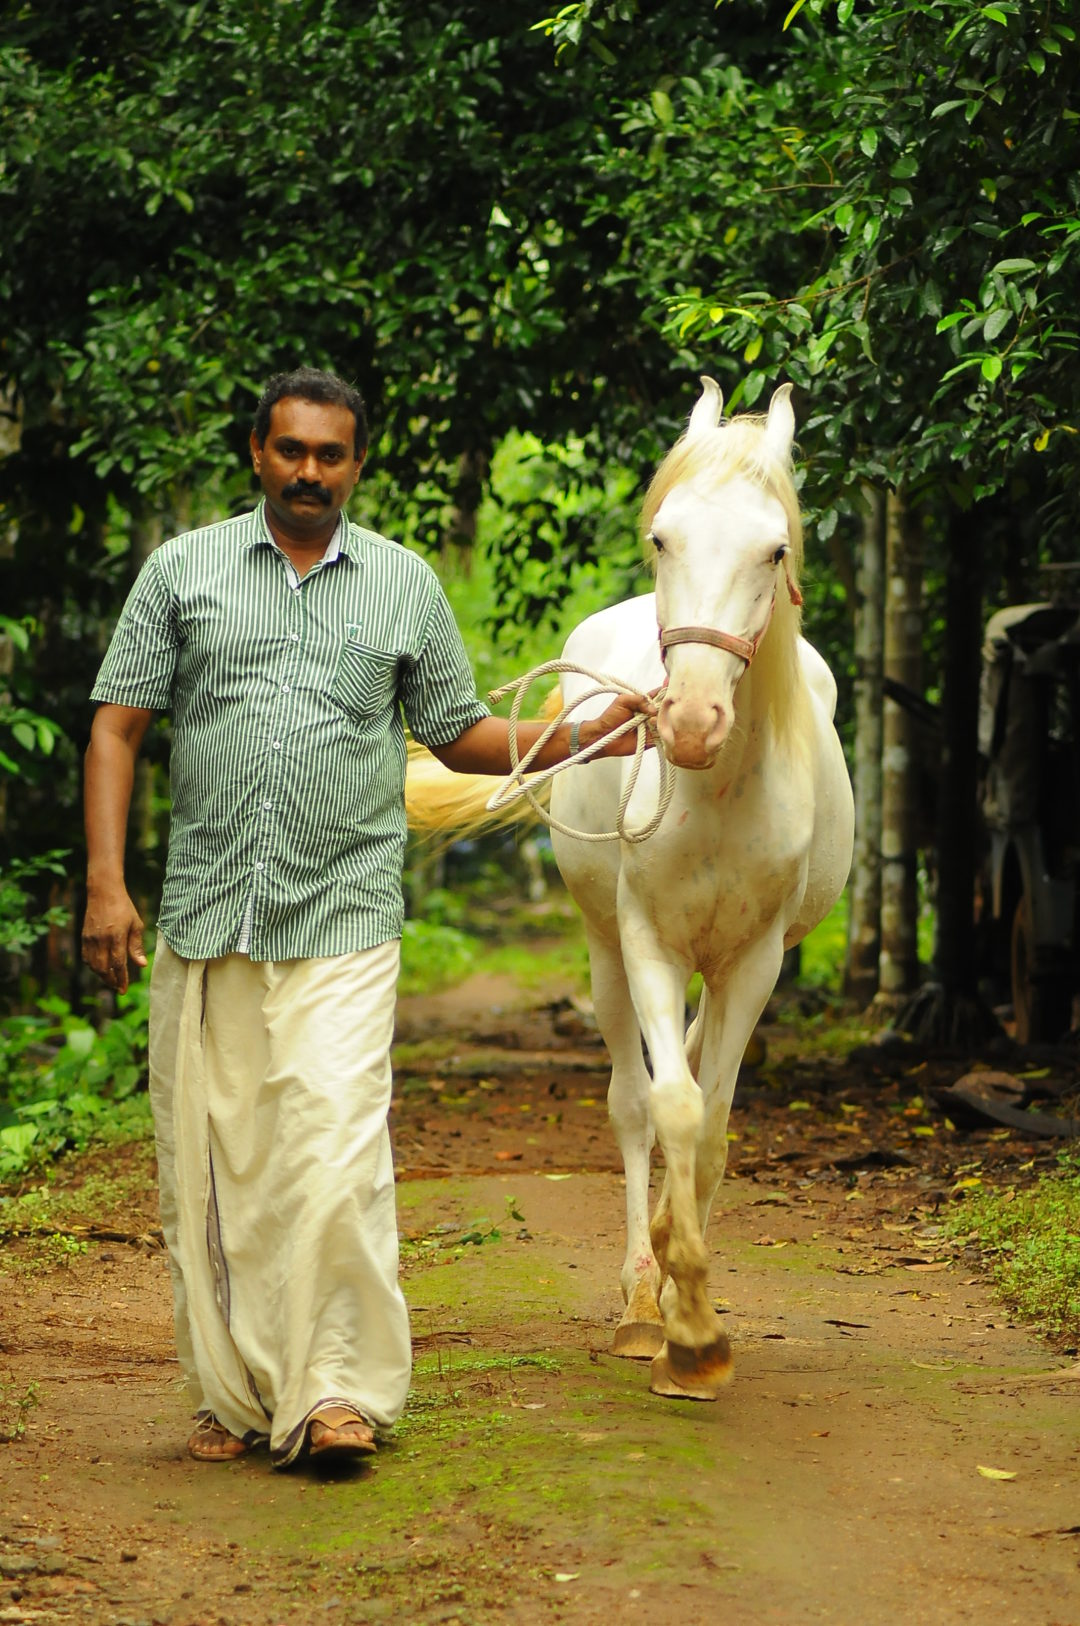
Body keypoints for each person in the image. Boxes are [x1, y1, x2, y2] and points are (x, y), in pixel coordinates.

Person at [82, 366, 652, 1468]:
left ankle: (338, 1390)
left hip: (345, 910)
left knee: (335, 1151)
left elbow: (463, 736)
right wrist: (108, 887)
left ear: (356, 464)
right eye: (290, 450)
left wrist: (600, 732)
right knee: (220, 1161)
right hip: (212, 912)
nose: (309, 471)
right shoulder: (182, 571)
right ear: (258, 452)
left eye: (329, 455)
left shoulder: (400, 584)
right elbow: (116, 730)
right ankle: (243, 1394)